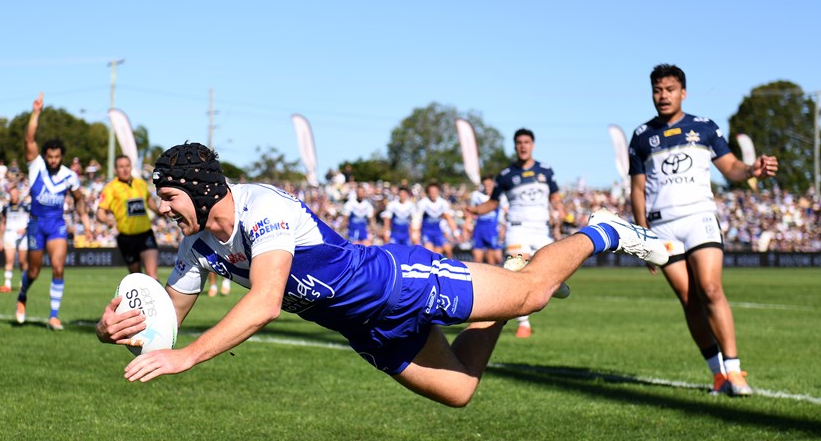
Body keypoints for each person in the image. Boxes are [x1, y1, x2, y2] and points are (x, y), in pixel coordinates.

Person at [96, 142, 668, 407]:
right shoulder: (198, 245)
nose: (164, 209)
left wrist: (187, 356)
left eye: (168, 196)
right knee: (460, 390)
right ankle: (512, 280)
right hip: (364, 330)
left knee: (535, 295)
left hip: (398, 281)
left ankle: (606, 231)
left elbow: (267, 301)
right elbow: (165, 316)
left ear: (198, 187)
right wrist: (117, 327)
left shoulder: (261, 207)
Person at [628, 64, 779, 396]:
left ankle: (736, 372)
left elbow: (731, 168)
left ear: (683, 92)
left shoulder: (705, 128)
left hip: (699, 217)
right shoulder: (641, 136)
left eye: (669, 89)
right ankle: (718, 375)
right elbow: (637, 189)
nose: (663, 96)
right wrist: (642, 237)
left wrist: (752, 168)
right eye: (657, 90)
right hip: (662, 227)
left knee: (710, 289)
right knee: (689, 299)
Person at [465, 128, 568, 338]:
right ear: (515, 146)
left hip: (541, 229)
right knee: (514, 270)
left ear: (533, 145)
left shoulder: (546, 171)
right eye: (519, 142)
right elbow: (492, 203)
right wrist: (474, 210)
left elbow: (555, 197)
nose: (523, 146)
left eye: (527, 142)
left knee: (552, 270)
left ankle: (552, 284)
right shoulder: (505, 175)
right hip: (517, 228)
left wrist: (560, 210)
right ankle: (523, 323)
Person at [16, 92, 93, 330]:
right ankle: (22, 294)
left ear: (62, 156)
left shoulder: (70, 176)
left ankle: (53, 315)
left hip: (57, 224)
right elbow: (29, 139)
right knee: (35, 271)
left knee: (59, 267)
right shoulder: (36, 166)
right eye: (49, 156)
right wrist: (36, 112)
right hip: (36, 224)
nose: (52, 160)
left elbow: (79, 200)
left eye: (56, 156)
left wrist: (86, 224)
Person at [96, 155, 161, 279]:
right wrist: (106, 220)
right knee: (136, 278)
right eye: (121, 167)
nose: (125, 169)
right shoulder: (110, 188)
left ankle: (160, 297)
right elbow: (100, 212)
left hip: (145, 234)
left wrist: (159, 212)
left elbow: (148, 201)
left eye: (127, 166)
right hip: (126, 238)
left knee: (152, 275)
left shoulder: (140, 183)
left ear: (131, 167)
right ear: (116, 169)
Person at [0, 185, 31, 293]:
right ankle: (7, 284)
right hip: (10, 233)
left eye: (15, 194)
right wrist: (0, 239)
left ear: (18, 194)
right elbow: (2, 223)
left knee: (22, 261)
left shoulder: (25, 206)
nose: (13, 197)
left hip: (22, 235)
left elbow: (33, 220)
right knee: (9, 260)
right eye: (11, 195)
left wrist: (25, 229)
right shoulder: (6, 207)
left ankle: (23, 283)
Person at [463, 175, 504, 265]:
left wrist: (503, 228)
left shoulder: (500, 196)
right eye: (485, 185)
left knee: (495, 260)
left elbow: (505, 212)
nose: (487, 187)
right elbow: (471, 213)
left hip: (492, 229)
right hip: (479, 229)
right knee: (477, 260)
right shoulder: (476, 195)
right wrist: (465, 228)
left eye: (489, 184)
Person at [417, 182, 459, 259]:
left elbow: (449, 218)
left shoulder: (443, 203)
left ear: (438, 192)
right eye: (431, 192)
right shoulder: (423, 203)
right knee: (429, 253)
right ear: (428, 192)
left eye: (435, 192)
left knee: (437, 256)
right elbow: (418, 219)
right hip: (426, 231)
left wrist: (456, 233)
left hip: (437, 231)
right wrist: (416, 233)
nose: (433, 194)